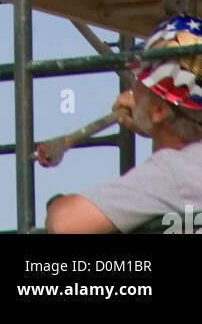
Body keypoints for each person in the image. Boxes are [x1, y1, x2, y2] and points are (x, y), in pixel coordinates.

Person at [46, 13, 202, 234]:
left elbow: (66, 224)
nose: (133, 88)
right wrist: (154, 123)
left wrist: (56, 204)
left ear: (158, 110)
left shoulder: (174, 171)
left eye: (140, 80)